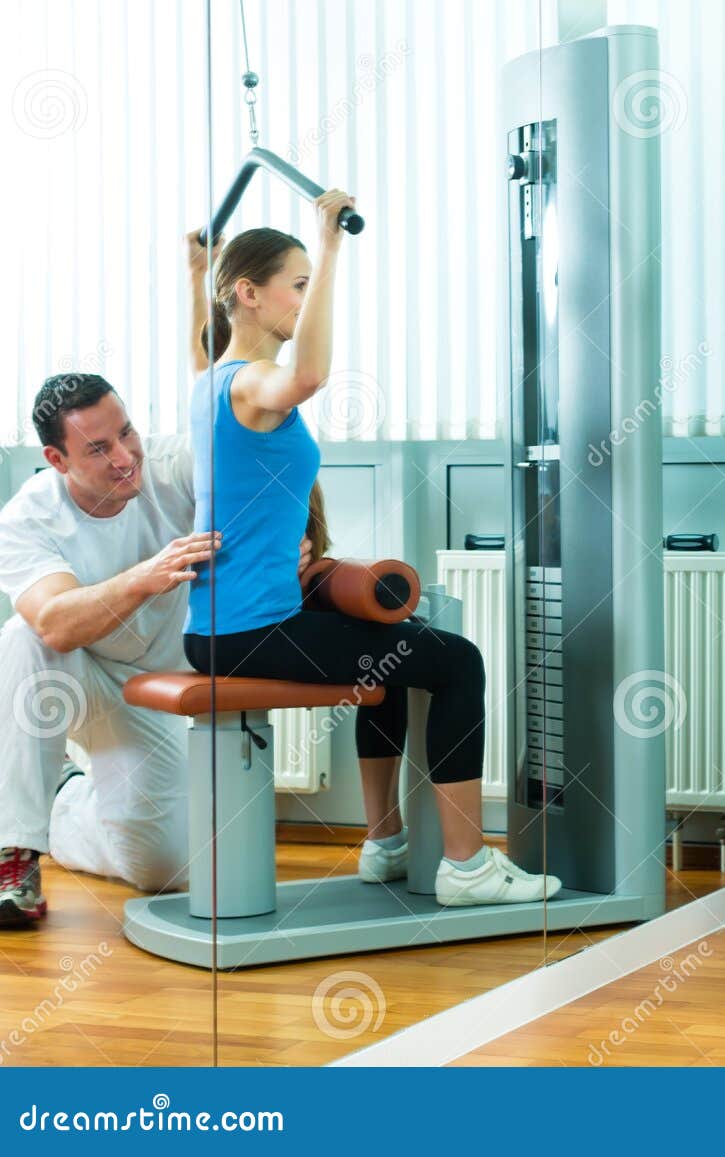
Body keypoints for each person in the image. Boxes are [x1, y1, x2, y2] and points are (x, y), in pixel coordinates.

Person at [187, 191, 558, 906]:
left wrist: (193, 271)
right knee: (460, 662)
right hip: (251, 629)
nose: (303, 298)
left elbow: (211, 343)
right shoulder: (256, 383)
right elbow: (310, 376)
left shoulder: (208, 383)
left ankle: (384, 843)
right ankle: (467, 867)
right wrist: (329, 246)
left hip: (220, 627)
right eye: (294, 286)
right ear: (248, 294)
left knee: (391, 643)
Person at [0, 374, 214, 922]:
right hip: (74, 673)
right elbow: (54, 622)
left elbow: (244, 439)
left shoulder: (170, 465)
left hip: (153, 691)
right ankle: (13, 853)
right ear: (57, 458)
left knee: (166, 870)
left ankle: (65, 796)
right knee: (26, 636)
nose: (124, 458)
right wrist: (147, 576)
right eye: (99, 448)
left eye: (127, 432)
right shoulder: (27, 519)